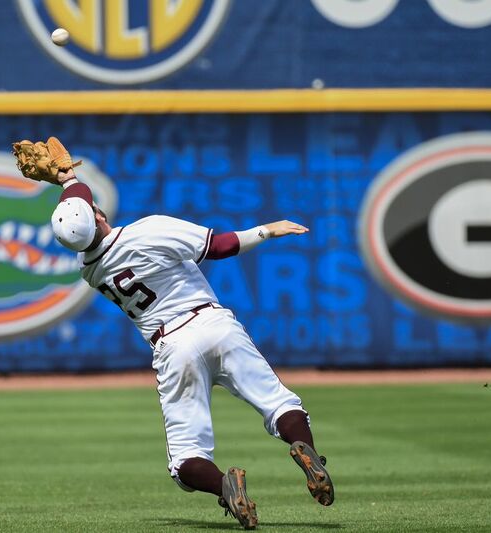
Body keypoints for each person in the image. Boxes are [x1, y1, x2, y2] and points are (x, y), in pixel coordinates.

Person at [49, 167, 333, 530]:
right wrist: (266, 230)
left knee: (185, 461)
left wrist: (67, 182)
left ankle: (224, 486)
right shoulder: (145, 231)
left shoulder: (89, 270)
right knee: (280, 404)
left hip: (171, 347)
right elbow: (220, 246)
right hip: (215, 325)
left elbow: (80, 215)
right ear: (98, 215)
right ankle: (305, 450)